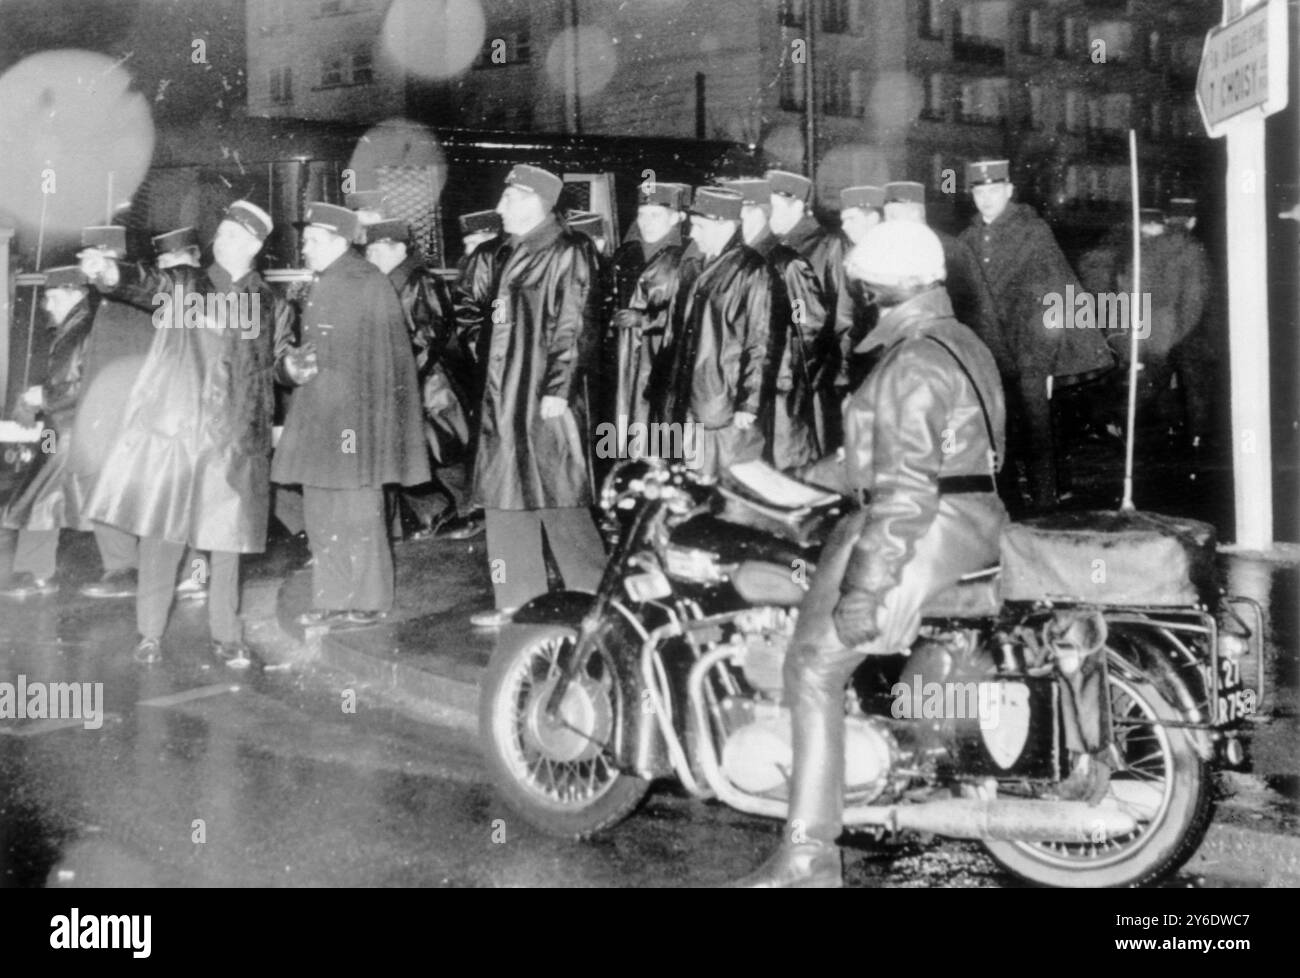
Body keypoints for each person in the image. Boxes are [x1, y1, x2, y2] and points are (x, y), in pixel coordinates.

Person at [732, 221, 1008, 887]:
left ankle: (808, 855)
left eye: (864, 286)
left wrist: (865, 590)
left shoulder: (913, 363)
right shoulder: (956, 340)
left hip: (927, 524)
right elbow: (883, 457)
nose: (858, 298)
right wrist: (793, 481)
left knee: (812, 665)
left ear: (885, 289)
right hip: (972, 515)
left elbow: (905, 494)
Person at [79, 201, 293, 666]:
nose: (222, 240)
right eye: (222, 232)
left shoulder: (269, 302)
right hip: (181, 435)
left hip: (234, 438)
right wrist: (110, 274)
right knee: (163, 537)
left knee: (226, 543)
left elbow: (275, 363)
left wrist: (292, 368)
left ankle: (226, 635)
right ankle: (149, 633)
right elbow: (146, 284)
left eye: (235, 236)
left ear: (255, 246)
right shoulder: (189, 285)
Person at [272, 202, 430, 629]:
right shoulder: (325, 282)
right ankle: (332, 596)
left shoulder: (366, 282)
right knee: (322, 510)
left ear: (340, 241)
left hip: (354, 421)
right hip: (321, 415)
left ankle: (370, 599)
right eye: (305, 241)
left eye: (312, 241)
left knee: (358, 508)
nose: (305, 248)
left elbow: (383, 363)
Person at [468, 165, 607, 629]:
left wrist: (559, 389)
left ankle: (594, 601)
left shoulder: (570, 250)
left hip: (541, 391)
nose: (501, 208)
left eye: (509, 199)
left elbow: (576, 322)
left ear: (536, 202)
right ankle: (516, 599)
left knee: (558, 493)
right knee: (504, 493)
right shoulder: (511, 249)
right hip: (505, 390)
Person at [958, 159, 1113, 512]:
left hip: (1029, 345)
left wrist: (1043, 348)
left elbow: (1056, 288)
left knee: (1035, 423)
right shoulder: (967, 239)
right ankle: (1008, 497)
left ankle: (1046, 500)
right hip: (988, 348)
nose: (986, 199)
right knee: (997, 421)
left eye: (993, 190)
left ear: (1009, 191)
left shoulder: (1032, 232)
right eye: (979, 191)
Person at [363, 219, 479, 540]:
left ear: (398, 248)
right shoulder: (387, 282)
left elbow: (431, 334)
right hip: (411, 383)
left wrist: (402, 373)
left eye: (376, 248)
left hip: (430, 386)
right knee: (419, 454)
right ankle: (443, 516)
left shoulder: (419, 281)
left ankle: (465, 514)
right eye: (369, 248)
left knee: (441, 450)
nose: (370, 254)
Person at [660, 185, 773, 481]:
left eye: (699, 226)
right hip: (690, 398)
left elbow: (761, 340)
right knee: (688, 479)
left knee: (720, 484)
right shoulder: (696, 266)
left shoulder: (752, 269)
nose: (692, 234)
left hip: (721, 405)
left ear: (724, 224)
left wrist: (749, 403)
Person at [0, 267, 97, 597]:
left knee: (39, 496)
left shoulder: (82, 329)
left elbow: (85, 383)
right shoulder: (73, 328)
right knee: (43, 496)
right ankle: (37, 571)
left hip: (70, 429)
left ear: (73, 294)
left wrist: (43, 397)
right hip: (62, 427)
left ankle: (35, 572)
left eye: (52, 297)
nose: (46, 305)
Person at [65, 226, 149, 599]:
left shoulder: (130, 304)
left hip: (124, 418)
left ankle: (126, 570)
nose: (84, 264)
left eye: (91, 257)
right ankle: (123, 567)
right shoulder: (101, 304)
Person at [722, 177, 825, 470]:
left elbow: (807, 323)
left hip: (781, 389)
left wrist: (787, 372)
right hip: (752, 385)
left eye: (737, 211)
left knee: (785, 466)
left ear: (756, 212)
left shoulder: (786, 264)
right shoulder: (742, 259)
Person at [1115, 201, 1213, 452]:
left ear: (1168, 220)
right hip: (1186, 330)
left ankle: (1130, 424)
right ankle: (1197, 438)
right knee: (1195, 386)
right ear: (1192, 221)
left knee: (1154, 381)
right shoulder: (1193, 248)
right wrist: (1181, 332)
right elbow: (1195, 297)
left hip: (1158, 329)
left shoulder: (1151, 246)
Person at [767, 169, 846, 452]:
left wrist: (840, 382)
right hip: (785, 378)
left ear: (798, 206)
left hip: (816, 378)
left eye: (773, 207)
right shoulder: (774, 246)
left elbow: (843, 319)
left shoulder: (827, 245)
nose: (767, 215)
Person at [608, 181, 692, 430]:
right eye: (641, 214)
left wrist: (643, 320)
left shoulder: (687, 257)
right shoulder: (626, 253)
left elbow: (689, 315)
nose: (646, 222)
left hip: (661, 357)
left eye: (655, 215)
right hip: (623, 357)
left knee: (656, 422)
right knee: (621, 419)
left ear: (677, 217)